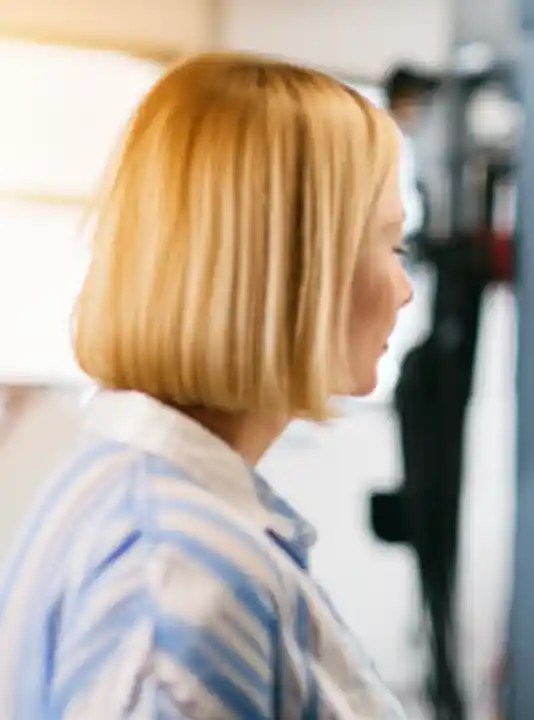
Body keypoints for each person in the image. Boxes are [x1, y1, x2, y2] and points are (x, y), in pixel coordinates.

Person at [0, 53, 416, 718]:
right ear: (297, 263)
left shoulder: (132, 491)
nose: (405, 289)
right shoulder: (175, 577)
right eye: (391, 245)